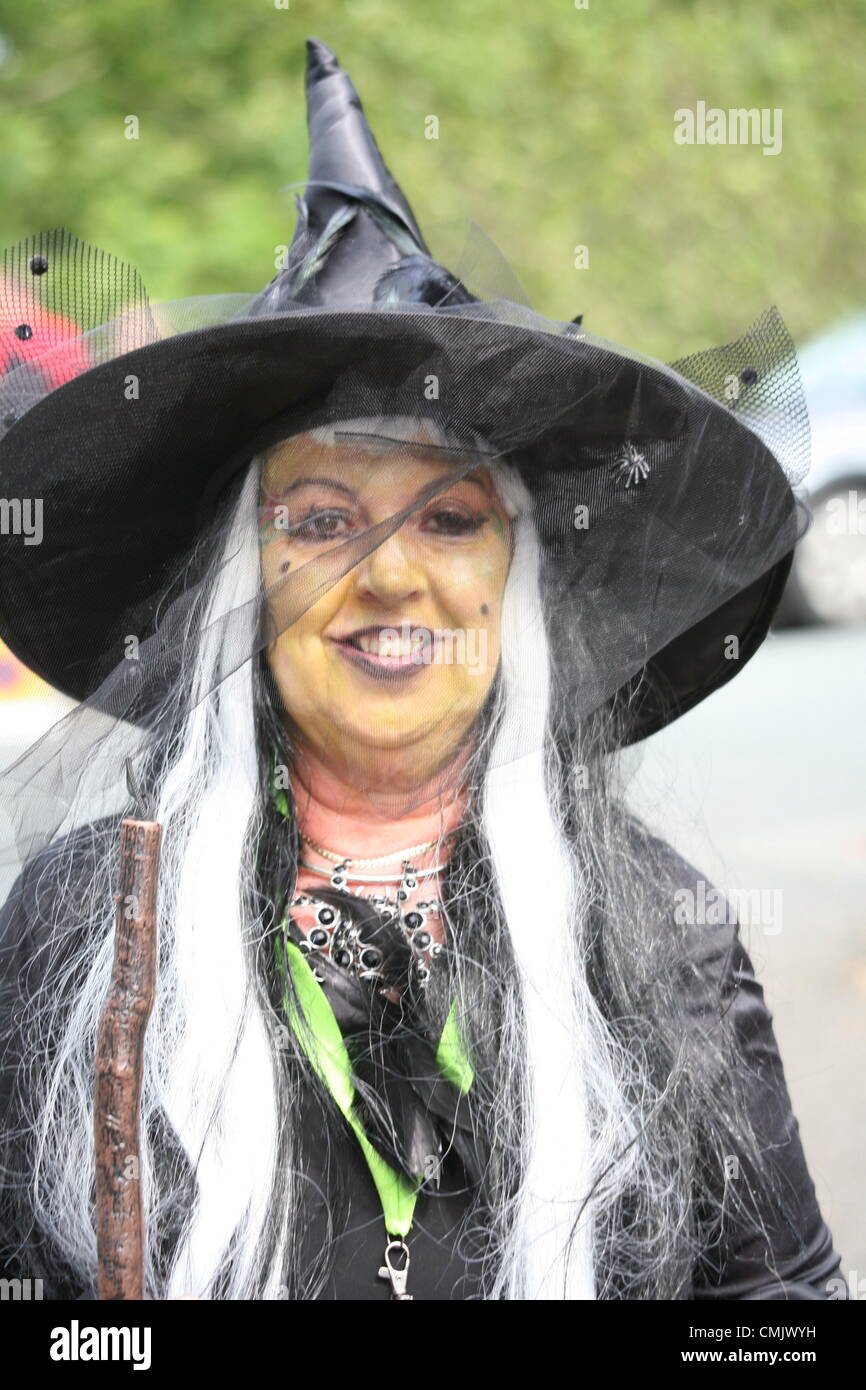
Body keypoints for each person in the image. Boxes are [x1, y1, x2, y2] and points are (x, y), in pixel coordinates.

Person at [0, 38, 844, 1301]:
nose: (393, 578)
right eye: (325, 520)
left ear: (513, 587)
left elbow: (777, 1312)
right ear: (244, 588)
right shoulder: (84, 929)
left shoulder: (659, 940)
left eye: (449, 521)